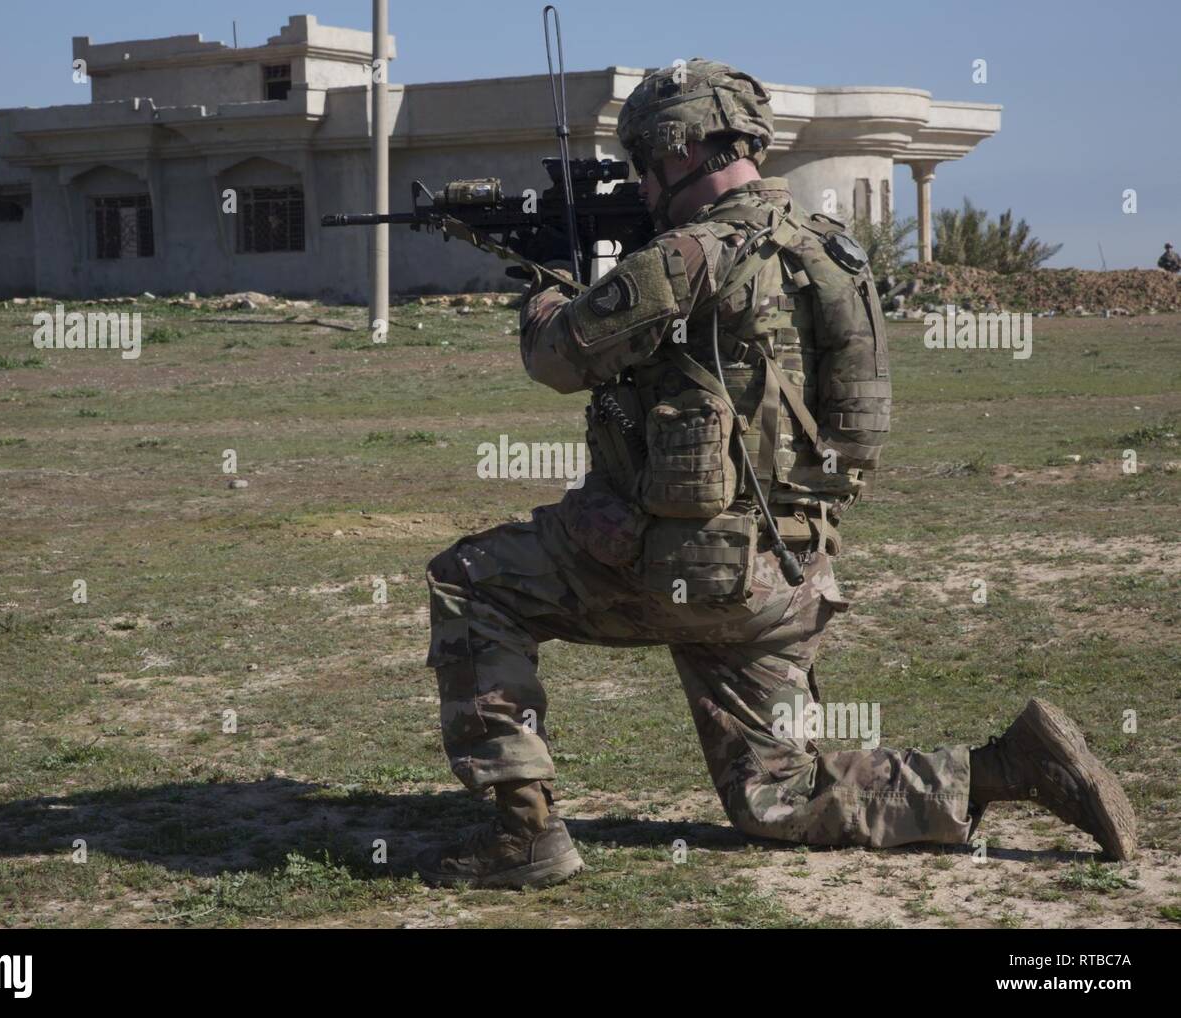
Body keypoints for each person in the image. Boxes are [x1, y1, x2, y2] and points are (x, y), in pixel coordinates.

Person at [415, 60, 1136, 889]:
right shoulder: (832, 251)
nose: (642, 182)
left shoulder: (687, 256)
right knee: (776, 797)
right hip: (788, 576)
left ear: (679, 150)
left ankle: (526, 836)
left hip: (678, 568)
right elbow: (860, 426)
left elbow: (558, 358)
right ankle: (1008, 769)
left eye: (646, 161)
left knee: (470, 580)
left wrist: (546, 291)